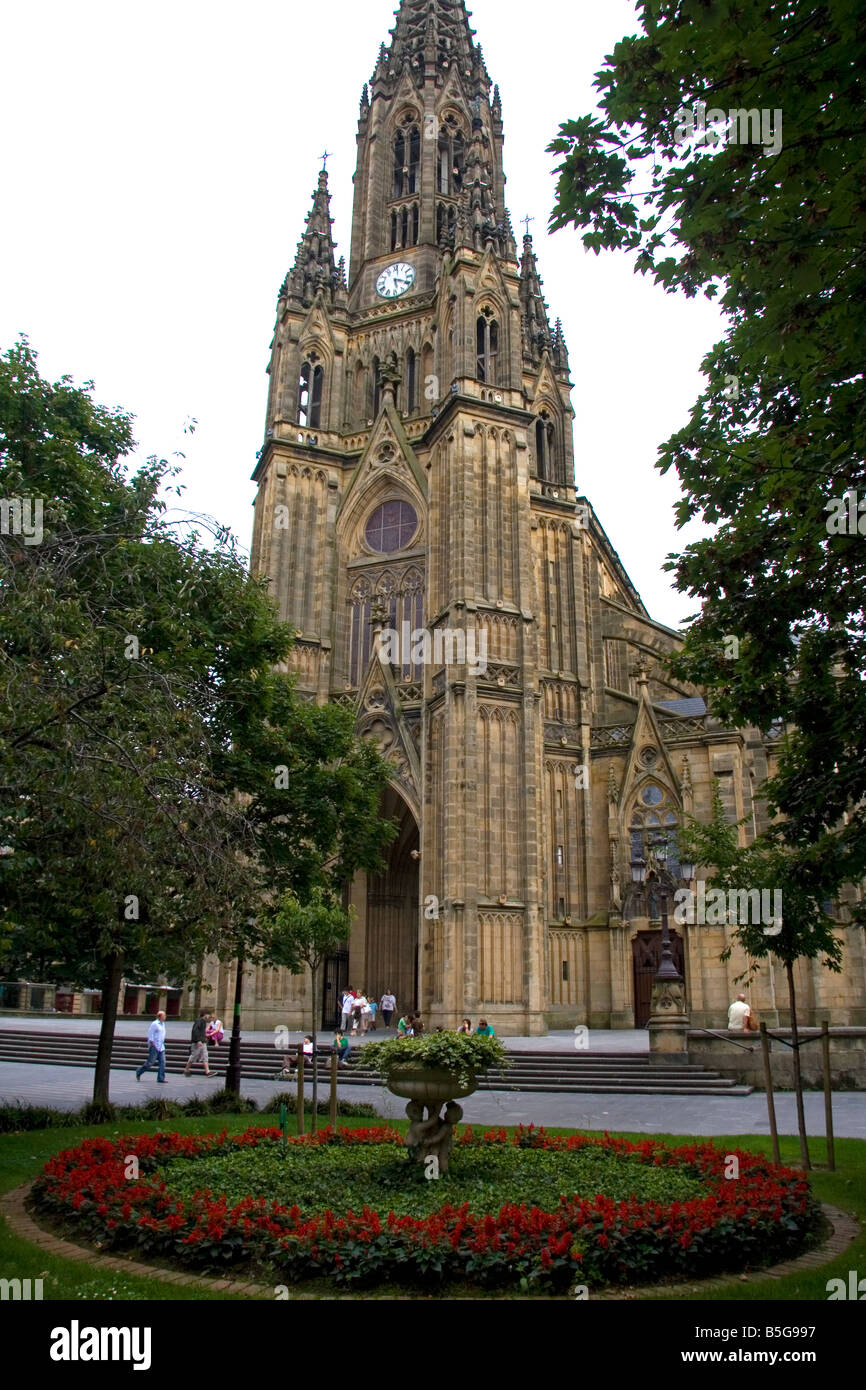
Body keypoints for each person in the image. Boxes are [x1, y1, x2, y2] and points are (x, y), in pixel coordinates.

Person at [136, 1009, 168, 1083]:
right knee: (150, 1062)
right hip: (155, 1045)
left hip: (161, 1046)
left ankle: (161, 1078)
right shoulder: (155, 1024)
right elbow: (150, 1033)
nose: (165, 1017)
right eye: (164, 1015)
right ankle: (139, 1071)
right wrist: (152, 1042)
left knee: (162, 1062)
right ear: (160, 1016)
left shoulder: (163, 1024)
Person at [184, 1010, 214, 1076]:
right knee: (194, 1055)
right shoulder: (199, 1021)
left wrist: (204, 1036)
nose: (209, 1017)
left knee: (205, 1056)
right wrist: (197, 1040)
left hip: (202, 1042)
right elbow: (195, 1030)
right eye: (208, 1015)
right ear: (205, 1014)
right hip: (197, 1042)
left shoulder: (203, 1021)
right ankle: (186, 1069)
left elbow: (200, 1031)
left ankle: (207, 1071)